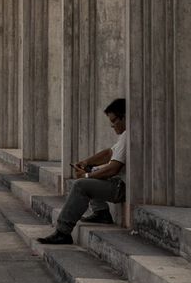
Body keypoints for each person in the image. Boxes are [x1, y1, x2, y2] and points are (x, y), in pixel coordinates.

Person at [38, 99, 127, 245]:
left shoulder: (128, 135)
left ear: (124, 117)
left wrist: (86, 175)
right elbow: (109, 153)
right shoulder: (124, 136)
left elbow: (113, 169)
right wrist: (87, 163)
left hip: (122, 187)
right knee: (90, 171)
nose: (112, 125)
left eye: (114, 121)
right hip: (118, 183)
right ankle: (101, 213)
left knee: (81, 185)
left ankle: (63, 232)